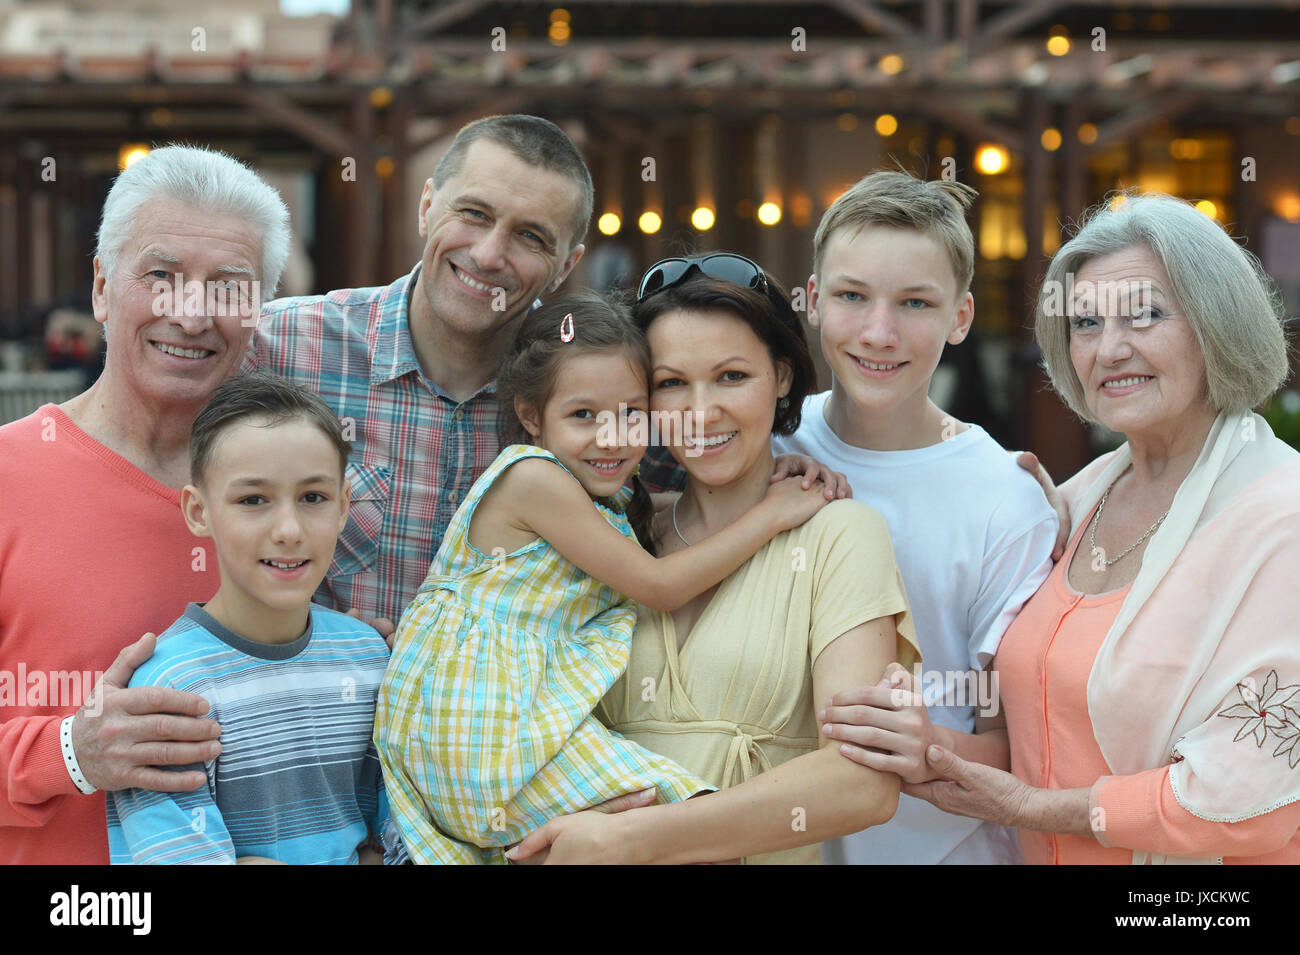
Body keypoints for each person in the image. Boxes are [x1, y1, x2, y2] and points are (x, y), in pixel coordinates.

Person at [824, 192, 1300, 864]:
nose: (1110, 349)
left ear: (1215, 325)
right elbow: (1032, 725)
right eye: (1085, 322)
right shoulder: (1073, 501)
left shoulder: (1282, 514)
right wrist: (923, 741)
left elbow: (1249, 796)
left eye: (1147, 315)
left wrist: (1026, 807)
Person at [375, 293, 832, 863]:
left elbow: (675, 509)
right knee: (681, 820)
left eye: (630, 413)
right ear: (531, 416)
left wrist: (771, 476)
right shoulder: (532, 478)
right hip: (477, 722)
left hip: (477, 730)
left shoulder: (601, 499)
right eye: (582, 415)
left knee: (647, 831)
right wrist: (773, 514)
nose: (611, 437)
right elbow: (659, 585)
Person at [510, 257, 921, 864]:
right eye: (671, 383)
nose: (700, 414)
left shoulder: (840, 534)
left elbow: (862, 784)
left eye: (731, 376)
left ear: (781, 377)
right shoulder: (611, 534)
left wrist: (630, 841)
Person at [0, 146, 289, 864]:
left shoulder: (296, 504)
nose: (192, 314)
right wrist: (70, 749)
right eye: (160, 276)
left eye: (229, 287)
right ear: (102, 288)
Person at [771, 170, 1057, 864]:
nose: (879, 330)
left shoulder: (1002, 494)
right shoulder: (766, 448)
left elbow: (1021, 744)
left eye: (915, 303)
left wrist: (929, 744)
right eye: (851, 295)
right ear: (811, 301)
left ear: (960, 317)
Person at [107, 375, 390, 864]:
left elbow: (399, 834)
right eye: (253, 500)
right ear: (199, 511)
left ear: (345, 506)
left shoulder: (369, 658)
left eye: (313, 498)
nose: (288, 530)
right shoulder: (170, 692)